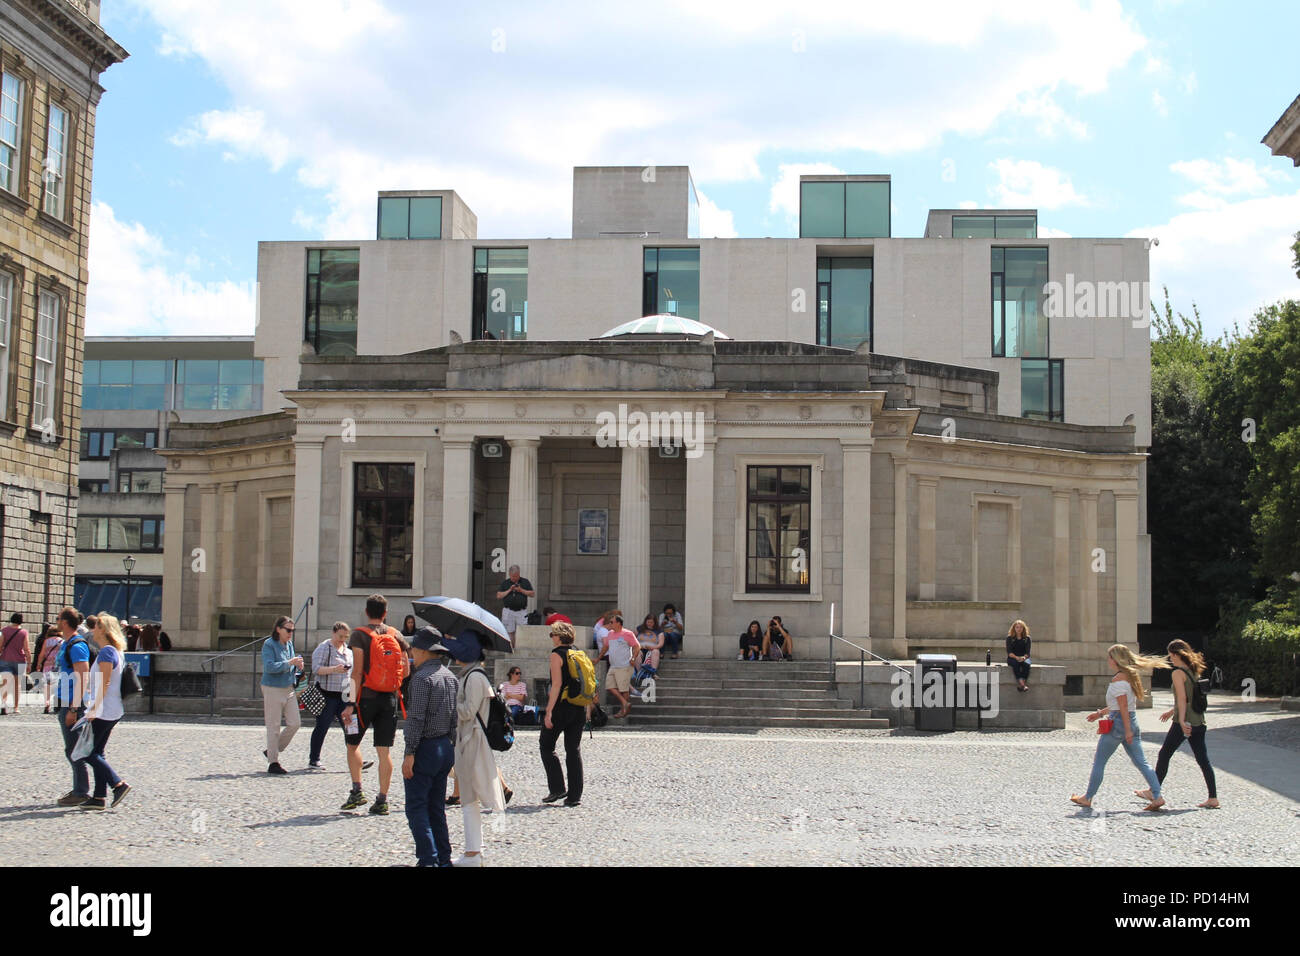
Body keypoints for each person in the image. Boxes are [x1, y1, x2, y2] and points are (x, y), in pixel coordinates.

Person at [1071, 644, 1169, 812]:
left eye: (1109, 657)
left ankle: (1087, 797)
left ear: (1115, 660)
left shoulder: (1118, 679)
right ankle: (1157, 795)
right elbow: (1120, 705)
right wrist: (1100, 713)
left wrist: (1126, 729)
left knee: (1099, 762)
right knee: (1142, 762)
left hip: (1119, 724)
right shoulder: (1129, 677)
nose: (1108, 660)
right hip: (1130, 721)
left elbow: (1122, 706)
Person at [442, 630, 506, 866]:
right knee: (469, 797)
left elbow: (468, 711)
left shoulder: (475, 677)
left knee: (470, 797)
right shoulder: (470, 675)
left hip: (473, 739)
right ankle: (473, 850)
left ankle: (473, 852)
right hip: (468, 738)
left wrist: (451, 702)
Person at [340, 594, 408, 815]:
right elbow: (405, 670)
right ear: (385, 613)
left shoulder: (360, 636)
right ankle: (382, 799)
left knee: (352, 745)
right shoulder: (396, 634)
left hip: (365, 698)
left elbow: (357, 672)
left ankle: (357, 790)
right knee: (384, 751)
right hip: (389, 699)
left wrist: (351, 703)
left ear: (367, 612)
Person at [400, 626, 458, 867]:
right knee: (436, 808)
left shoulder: (422, 679)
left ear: (423, 650)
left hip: (425, 747)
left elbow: (416, 719)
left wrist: (409, 752)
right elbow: (454, 717)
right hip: (445, 745)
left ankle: (428, 859)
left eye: (414, 647)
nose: (412, 652)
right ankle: (443, 858)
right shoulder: (450, 676)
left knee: (416, 807)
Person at [1137, 639, 1219, 809]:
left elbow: (1182, 698)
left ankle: (1154, 791)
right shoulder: (1194, 670)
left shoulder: (1177, 673)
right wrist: (1171, 711)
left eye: (1171, 656)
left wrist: (1180, 720)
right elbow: (1190, 697)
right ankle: (1213, 797)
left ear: (1175, 654)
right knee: (1203, 760)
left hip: (1185, 721)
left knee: (1164, 754)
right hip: (1198, 720)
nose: (1170, 659)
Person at [78, 614, 131, 811]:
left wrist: (94, 708)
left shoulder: (107, 652)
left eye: (97, 626)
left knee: (87, 753)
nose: (93, 629)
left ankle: (117, 784)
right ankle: (99, 796)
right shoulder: (113, 651)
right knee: (97, 752)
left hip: (104, 710)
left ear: (103, 629)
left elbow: (105, 682)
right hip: (111, 708)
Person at [541, 621, 586, 807]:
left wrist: (549, 711)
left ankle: (557, 787)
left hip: (562, 707)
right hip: (579, 707)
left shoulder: (556, 655)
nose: (551, 637)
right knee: (573, 750)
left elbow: (557, 685)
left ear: (559, 636)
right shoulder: (578, 653)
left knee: (546, 745)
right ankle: (574, 796)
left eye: (552, 634)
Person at [53, 610, 94, 806]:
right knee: (72, 748)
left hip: (72, 703)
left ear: (66, 623)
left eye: (59, 619)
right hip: (65, 701)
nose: (56, 622)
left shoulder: (77, 645)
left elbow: (82, 676)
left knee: (74, 749)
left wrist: (73, 708)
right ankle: (80, 788)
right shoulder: (67, 643)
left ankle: (81, 791)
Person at [308, 622, 355, 770]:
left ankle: (356, 758)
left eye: (345, 637)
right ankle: (314, 759)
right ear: (333, 633)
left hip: (343, 695)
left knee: (351, 727)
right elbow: (316, 669)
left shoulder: (348, 651)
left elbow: (352, 675)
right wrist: (334, 669)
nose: (342, 639)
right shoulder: (324, 648)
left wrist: (351, 699)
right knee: (322, 727)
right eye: (340, 636)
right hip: (326, 694)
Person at [260, 615, 303, 775]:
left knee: (295, 723)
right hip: (272, 688)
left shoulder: (289, 644)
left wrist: (297, 665)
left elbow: (289, 665)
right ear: (278, 629)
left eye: (293, 630)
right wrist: (289, 663)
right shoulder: (269, 644)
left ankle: (272, 750)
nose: (291, 633)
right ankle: (273, 762)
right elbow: (270, 667)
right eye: (288, 630)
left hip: (288, 688)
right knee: (274, 726)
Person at [598, 615, 640, 719]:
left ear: (618, 623)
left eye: (612, 622)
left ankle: (623, 710)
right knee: (609, 686)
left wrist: (633, 658)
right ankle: (625, 703)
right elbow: (605, 647)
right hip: (613, 666)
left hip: (624, 666)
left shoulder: (628, 633)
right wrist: (598, 658)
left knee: (624, 689)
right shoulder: (610, 634)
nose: (610, 624)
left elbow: (637, 646)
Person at [495, 565, 535, 646]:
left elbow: (532, 594)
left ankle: (521, 647)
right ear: (510, 574)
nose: (515, 578)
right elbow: (499, 595)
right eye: (513, 576)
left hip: (521, 611)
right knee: (510, 631)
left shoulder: (525, 582)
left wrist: (521, 590)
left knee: (523, 630)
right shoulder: (505, 583)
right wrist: (509, 590)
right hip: (509, 611)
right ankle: (511, 648)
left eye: (517, 576)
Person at [0, 612, 30, 715]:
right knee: (17, 685)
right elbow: (26, 648)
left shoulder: (3, 631)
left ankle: (3, 704)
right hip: (20, 661)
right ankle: (16, 707)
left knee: (5, 683)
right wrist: (29, 662)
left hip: (5, 660)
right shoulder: (24, 632)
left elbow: (0, 645)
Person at [36, 624, 64, 714]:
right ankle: (56, 704)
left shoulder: (46, 641)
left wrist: (39, 664)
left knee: (47, 686)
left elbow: (42, 654)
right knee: (56, 685)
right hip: (57, 666)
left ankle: (47, 703)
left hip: (47, 666)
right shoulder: (62, 641)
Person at [1006, 619, 1032, 692]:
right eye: (1017, 627)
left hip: (1024, 657)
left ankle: (1021, 685)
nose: (1019, 629)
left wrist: (1023, 658)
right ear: (1014, 628)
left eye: (1021, 627)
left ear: (1023, 628)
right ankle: (1023, 685)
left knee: (1028, 663)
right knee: (1015, 663)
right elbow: (1009, 652)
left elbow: (1028, 653)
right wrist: (1016, 657)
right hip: (1012, 658)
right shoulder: (1009, 638)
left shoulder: (1027, 638)